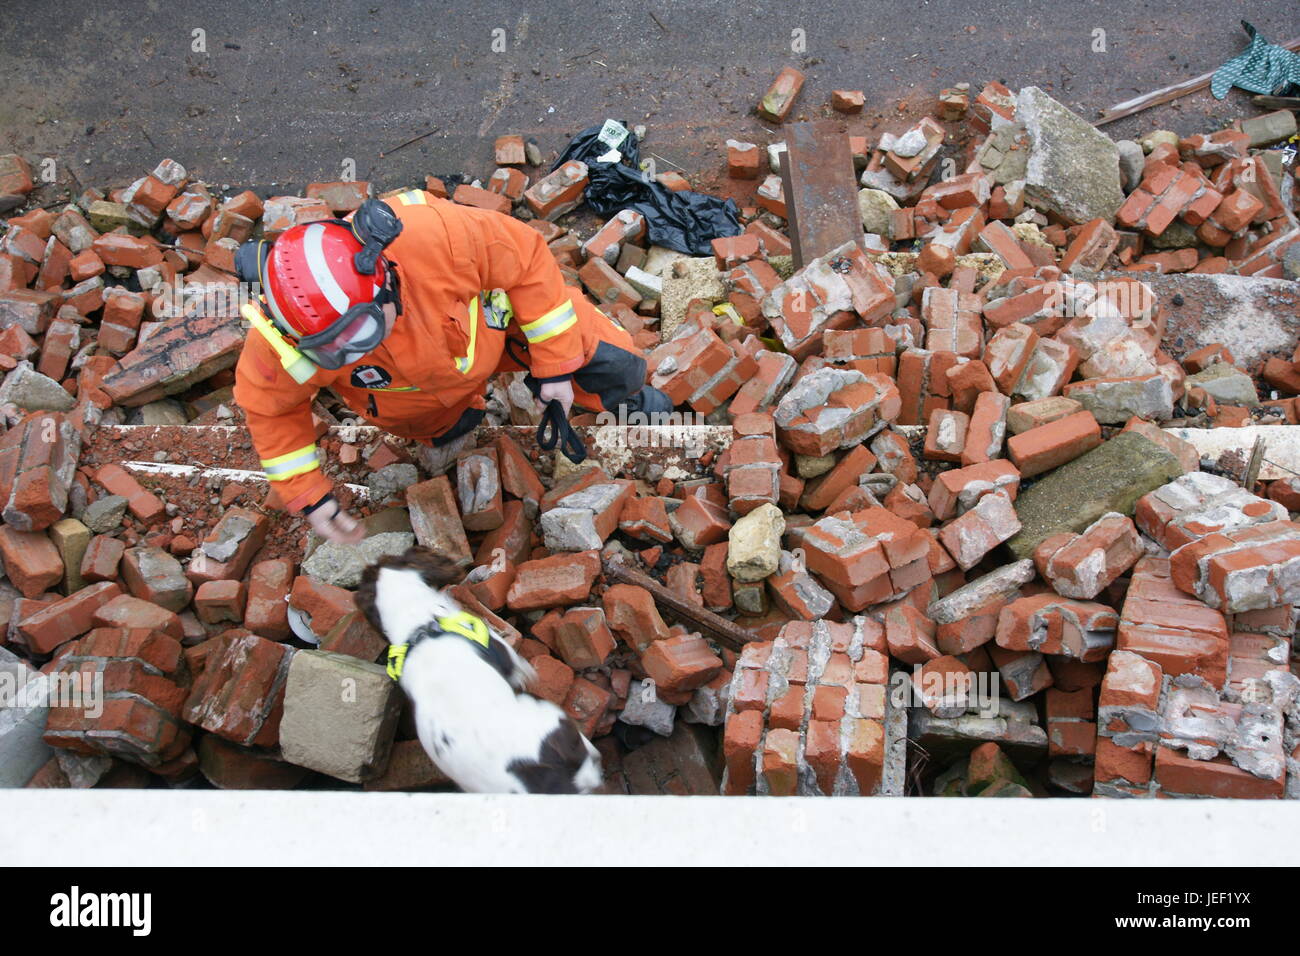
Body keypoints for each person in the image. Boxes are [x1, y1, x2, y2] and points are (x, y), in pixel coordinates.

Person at [232, 189, 669, 544]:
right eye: (335, 350)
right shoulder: (281, 338)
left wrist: (554, 365)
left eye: (361, 333)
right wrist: (309, 496)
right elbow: (270, 410)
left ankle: (623, 396)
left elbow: (528, 259)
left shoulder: (432, 235)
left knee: (606, 356)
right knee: (439, 427)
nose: (355, 351)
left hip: (490, 333)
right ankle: (456, 419)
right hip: (407, 398)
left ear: (381, 277)